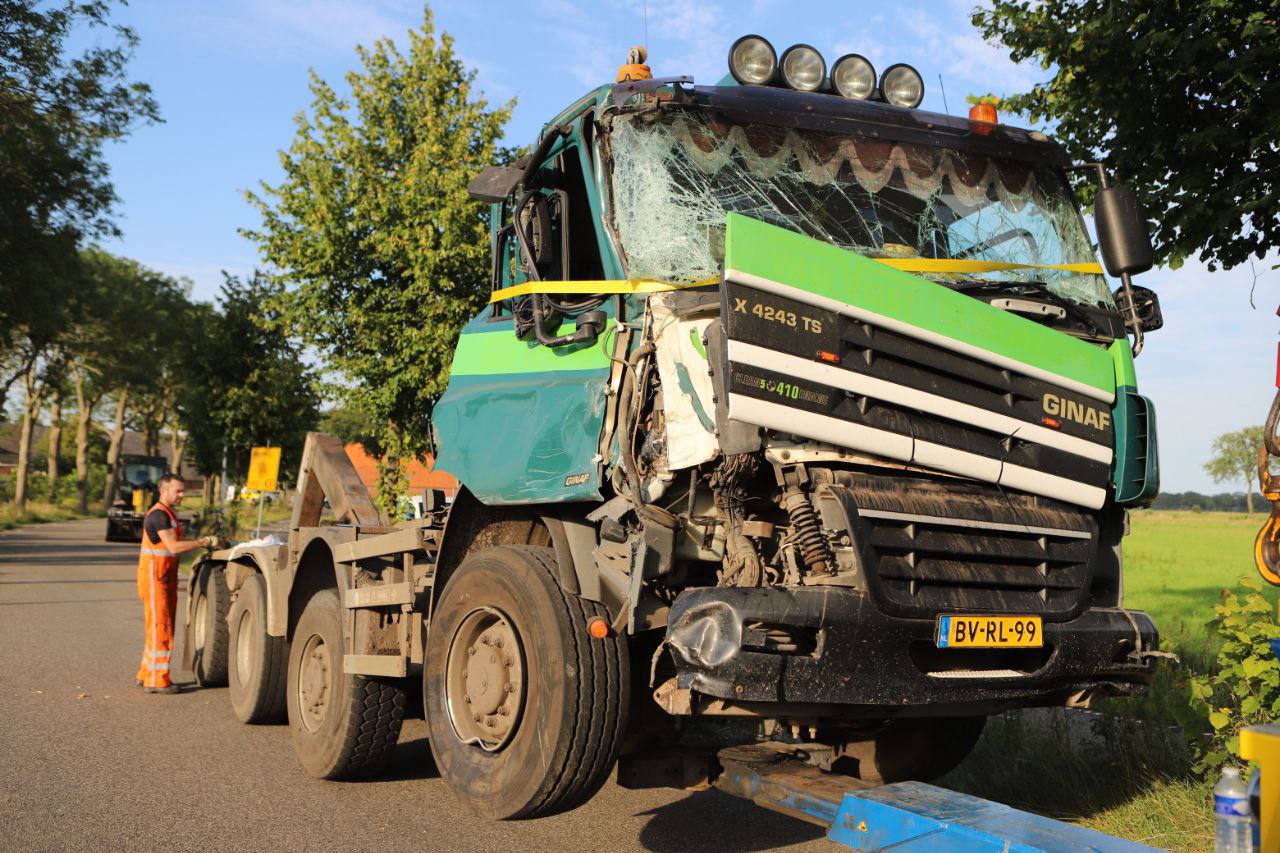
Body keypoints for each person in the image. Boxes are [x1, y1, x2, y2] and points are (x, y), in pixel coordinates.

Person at [136, 473, 215, 694]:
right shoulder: (159, 515)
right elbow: (173, 547)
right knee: (161, 628)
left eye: (183, 491)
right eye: (177, 491)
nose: (182, 495)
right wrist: (203, 542)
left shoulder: (168, 514)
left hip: (164, 578)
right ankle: (157, 680)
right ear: (164, 491)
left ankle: (146, 673)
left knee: (157, 627)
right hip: (155, 579)